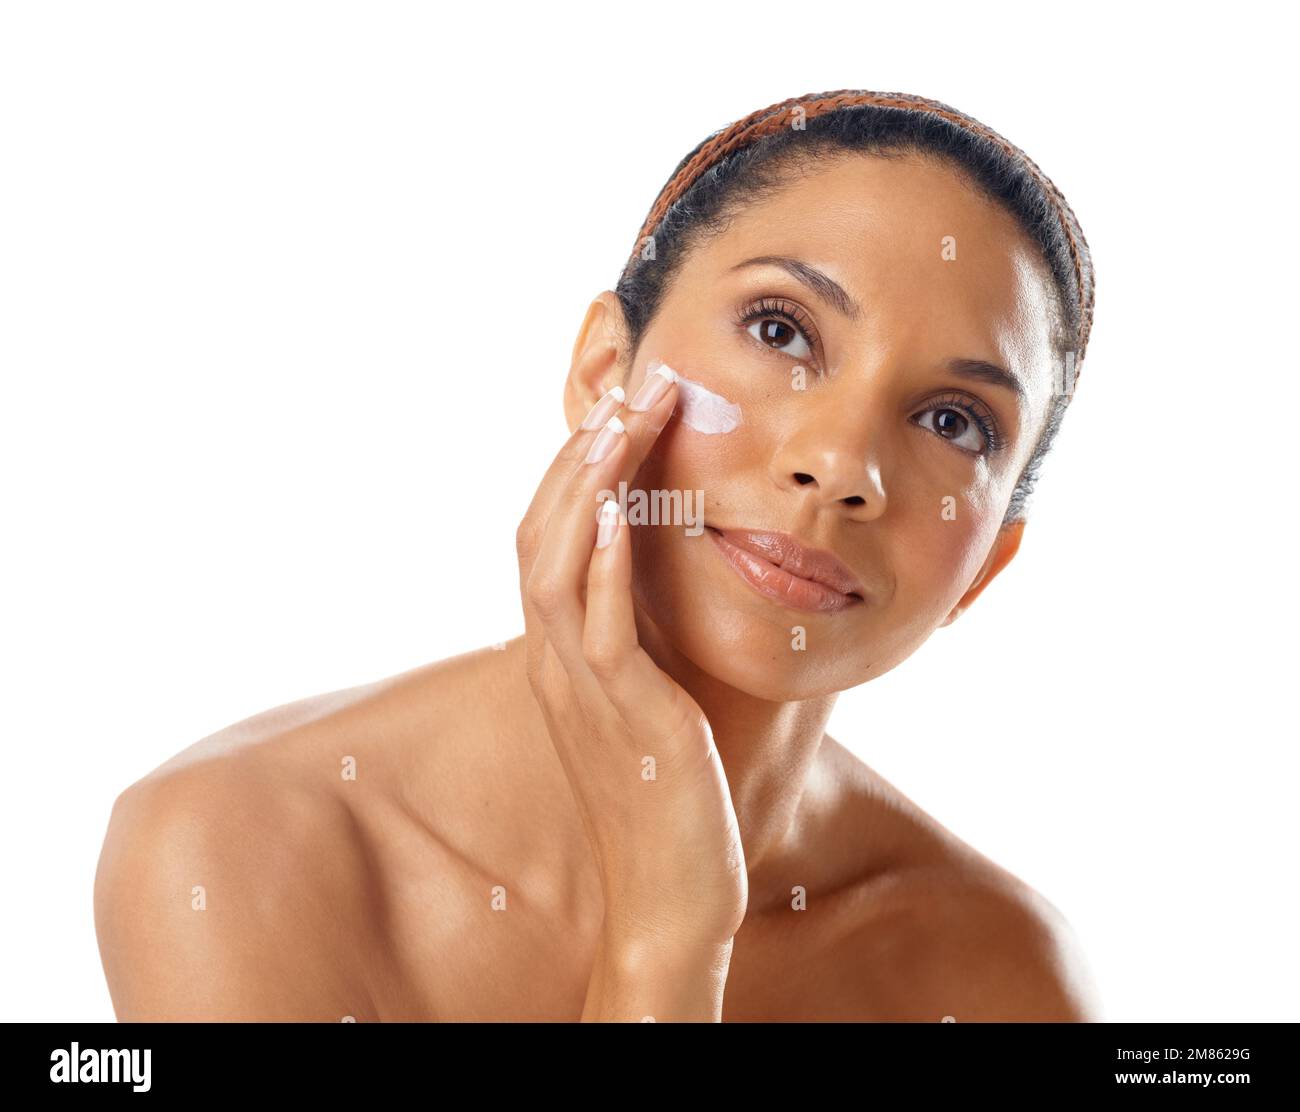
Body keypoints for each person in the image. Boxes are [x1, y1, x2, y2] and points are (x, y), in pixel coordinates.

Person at [94, 89, 1101, 1022]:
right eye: (780, 328)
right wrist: (665, 931)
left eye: (953, 420)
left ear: (984, 565)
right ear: (603, 371)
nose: (840, 465)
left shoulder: (1004, 976)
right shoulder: (237, 847)